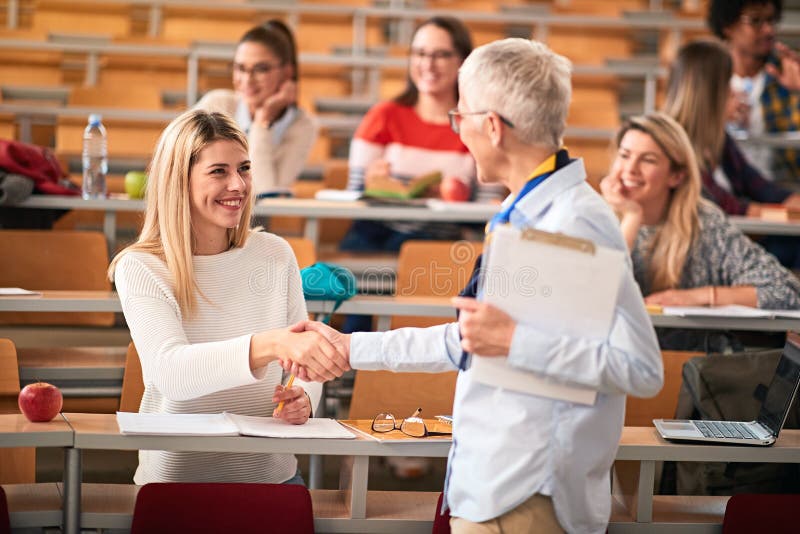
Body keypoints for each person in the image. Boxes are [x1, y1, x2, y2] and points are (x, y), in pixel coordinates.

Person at [300, 38, 664, 533]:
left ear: (492, 127)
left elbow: (640, 368)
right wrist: (350, 348)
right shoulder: (525, 209)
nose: (458, 131)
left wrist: (516, 341)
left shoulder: (576, 221)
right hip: (495, 485)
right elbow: (473, 342)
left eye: (461, 117)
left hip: (529, 497)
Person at [108, 109, 348, 485]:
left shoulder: (274, 253)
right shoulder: (140, 267)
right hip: (177, 483)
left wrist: (303, 397)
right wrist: (269, 344)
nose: (238, 184)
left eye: (244, 169)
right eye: (219, 171)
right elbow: (172, 373)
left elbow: (303, 365)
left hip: (273, 477)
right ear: (178, 181)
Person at [600, 112, 800, 351]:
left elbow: (786, 292)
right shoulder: (596, 217)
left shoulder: (704, 225)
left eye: (648, 160)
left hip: (688, 372)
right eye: (624, 155)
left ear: (676, 175)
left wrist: (698, 297)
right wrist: (632, 218)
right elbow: (596, 297)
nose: (630, 169)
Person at [341, 15, 504, 252]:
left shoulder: (478, 125)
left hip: (441, 246)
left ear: (462, 61)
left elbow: (486, 214)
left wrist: (452, 200)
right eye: (419, 54)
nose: (428, 64)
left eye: (441, 55)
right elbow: (353, 196)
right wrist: (372, 185)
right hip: (373, 239)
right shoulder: (383, 116)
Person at [664, 39, 800, 268]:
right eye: (728, 83)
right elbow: (727, 208)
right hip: (704, 259)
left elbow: (760, 186)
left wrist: (790, 201)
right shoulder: (673, 146)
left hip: (737, 244)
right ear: (709, 93)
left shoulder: (718, 139)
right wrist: (788, 213)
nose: (734, 91)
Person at [195, 21, 317, 195]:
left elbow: (264, 193)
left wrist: (262, 121)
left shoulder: (302, 126)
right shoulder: (216, 105)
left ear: (287, 72)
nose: (247, 80)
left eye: (261, 69)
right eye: (240, 68)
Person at [708, 0, 800, 184]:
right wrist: (718, 119)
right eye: (755, 21)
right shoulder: (707, 78)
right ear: (728, 26)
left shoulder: (787, 76)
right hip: (719, 195)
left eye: (771, 20)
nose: (768, 30)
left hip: (779, 194)